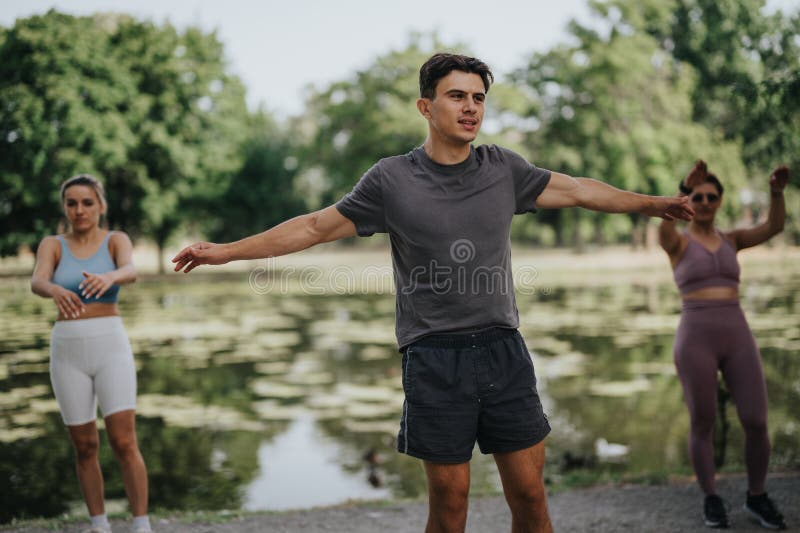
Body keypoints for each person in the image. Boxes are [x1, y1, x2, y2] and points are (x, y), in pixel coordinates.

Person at [173, 53, 693, 533]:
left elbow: (579, 188)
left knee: (531, 497)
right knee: (450, 507)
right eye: (457, 96)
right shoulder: (391, 180)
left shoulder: (503, 169)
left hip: (503, 349)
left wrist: (653, 204)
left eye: (478, 98)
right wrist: (225, 251)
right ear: (426, 106)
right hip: (433, 356)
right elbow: (312, 226)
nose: (471, 108)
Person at [659, 160, 789, 530]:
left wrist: (776, 193)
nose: (702, 201)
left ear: (719, 201)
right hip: (695, 337)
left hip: (736, 333)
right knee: (703, 420)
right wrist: (681, 186)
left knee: (756, 419)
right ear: (689, 199)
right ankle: (712, 499)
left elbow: (774, 226)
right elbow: (665, 222)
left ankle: (757, 496)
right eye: (696, 196)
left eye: (710, 196)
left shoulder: (732, 240)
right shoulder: (677, 242)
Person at [30, 174, 152, 533]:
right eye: (71, 203)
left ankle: (141, 524)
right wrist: (54, 289)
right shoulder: (52, 244)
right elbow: (37, 280)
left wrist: (111, 278)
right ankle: (99, 525)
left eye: (86, 202)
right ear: (64, 207)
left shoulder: (116, 240)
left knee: (124, 441)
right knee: (84, 446)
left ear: (101, 206)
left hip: (110, 346)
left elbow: (130, 269)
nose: (79, 210)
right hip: (67, 350)